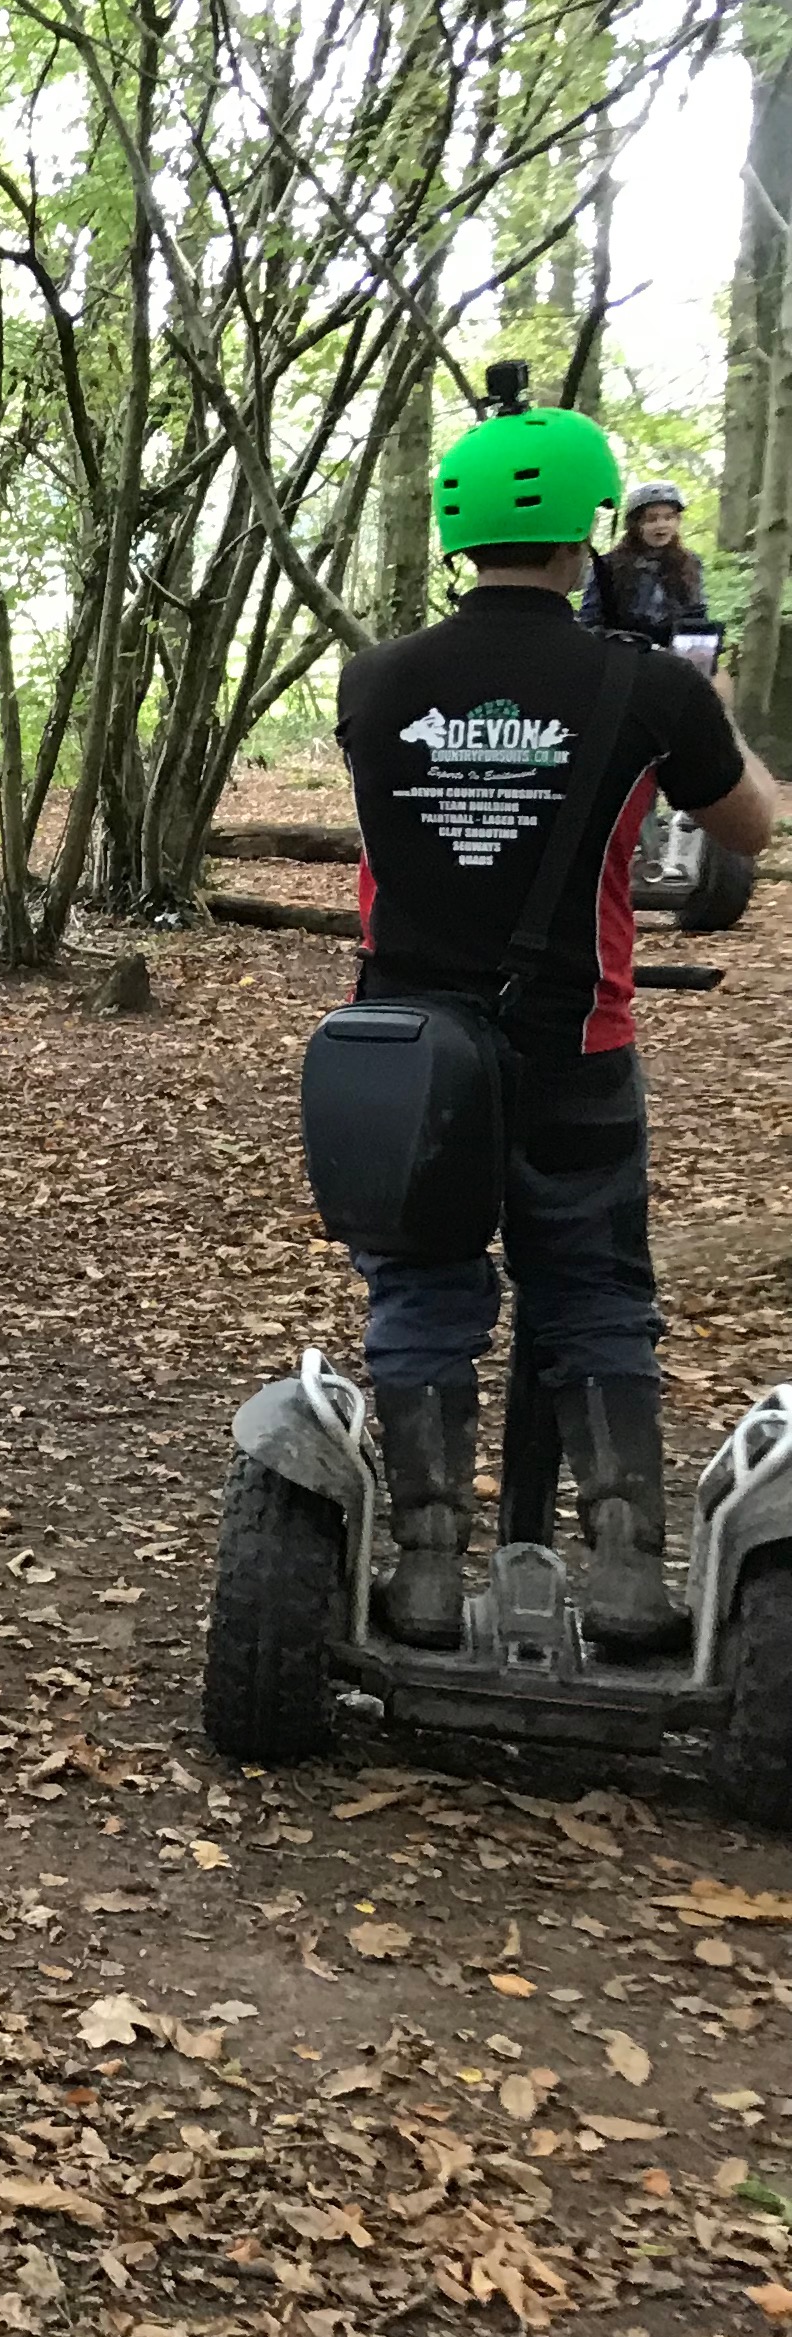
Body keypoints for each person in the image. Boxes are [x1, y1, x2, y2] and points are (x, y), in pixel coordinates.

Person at [339, 402, 779, 1653]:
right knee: (590, 1286)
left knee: (422, 1286)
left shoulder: (376, 681)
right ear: (589, 532)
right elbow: (750, 828)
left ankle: (426, 1566)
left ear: (459, 530)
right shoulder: (646, 689)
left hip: (410, 1055)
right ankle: (627, 1572)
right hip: (575, 1049)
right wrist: (715, 708)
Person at [582, 482, 710, 648]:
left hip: (673, 659)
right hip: (622, 656)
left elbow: (698, 618)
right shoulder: (608, 565)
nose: (661, 525)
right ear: (635, 525)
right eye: (652, 519)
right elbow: (589, 621)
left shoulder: (690, 563)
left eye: (669, 517)